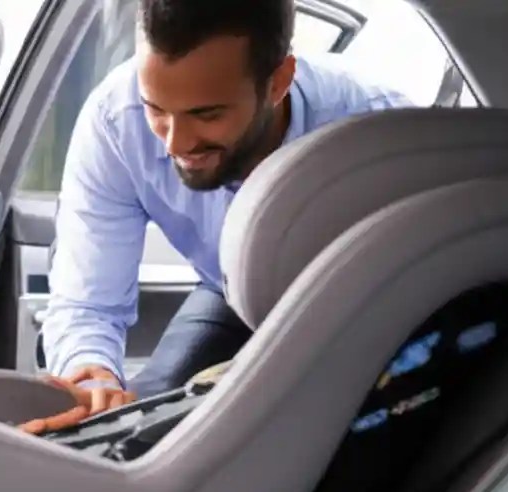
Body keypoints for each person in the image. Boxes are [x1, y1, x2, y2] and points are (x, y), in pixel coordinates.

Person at [23, 0, 413, 434]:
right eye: (156, 109)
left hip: (362, 308)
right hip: (229, 293)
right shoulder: (115, 124)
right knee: (146, 426)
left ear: (278, 82)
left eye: (207, 115)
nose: (176, 143)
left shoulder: (378, 128)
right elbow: (87, 302)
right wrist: (93, 376)